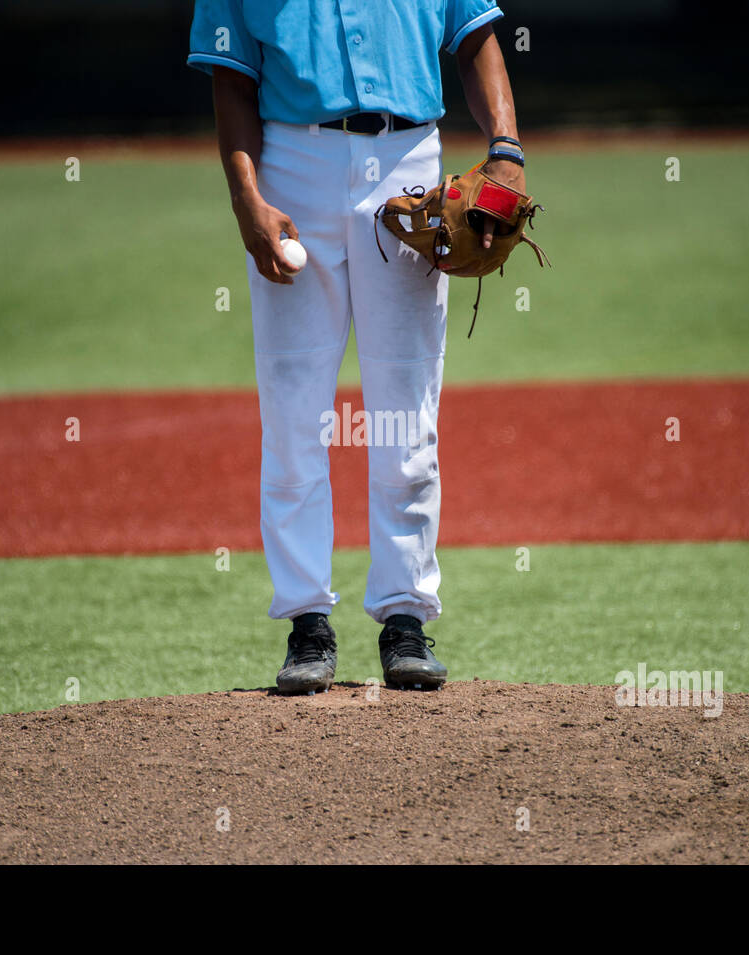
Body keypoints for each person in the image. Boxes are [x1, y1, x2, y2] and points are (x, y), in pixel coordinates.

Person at [187, 0, 527, 694]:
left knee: (407, 406)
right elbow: (232, 80)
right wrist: (245, 198)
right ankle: (306, 620)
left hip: (409, 165)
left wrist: (507, 149)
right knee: (292, 407)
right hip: (290, 162)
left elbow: (475, 38)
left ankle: (405, 617)